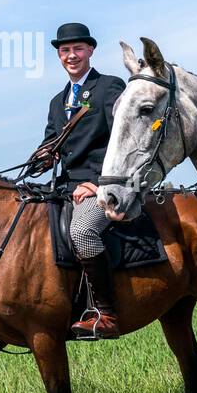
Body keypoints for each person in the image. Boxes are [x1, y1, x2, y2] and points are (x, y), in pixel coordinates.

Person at [34, 22, 126, 339]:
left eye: (77, 49)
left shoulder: (109, 87)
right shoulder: (56, 102)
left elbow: (124, 141)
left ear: (90, 50)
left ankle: (106, 314)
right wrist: (43, 157)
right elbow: (51, 142)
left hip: (104, 186)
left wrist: (99, 184)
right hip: (65, 188)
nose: (71, 56)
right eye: (64, 50)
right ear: (59, 56)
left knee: (82, 230)